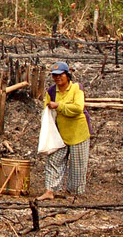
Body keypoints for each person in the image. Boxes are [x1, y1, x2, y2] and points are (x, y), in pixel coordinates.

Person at [37, 61, 92, 201]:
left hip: (78, 132)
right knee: (54, 160)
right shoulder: (51, 92)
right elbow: (47, 111)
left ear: (67, 75)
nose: (57, 78)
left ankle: (74, 193)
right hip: (60, 133)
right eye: (54, 75)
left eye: (60, 75)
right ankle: (50, 190)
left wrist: (59, 106)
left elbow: (78, 108)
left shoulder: (76, 88)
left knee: (78, 164)